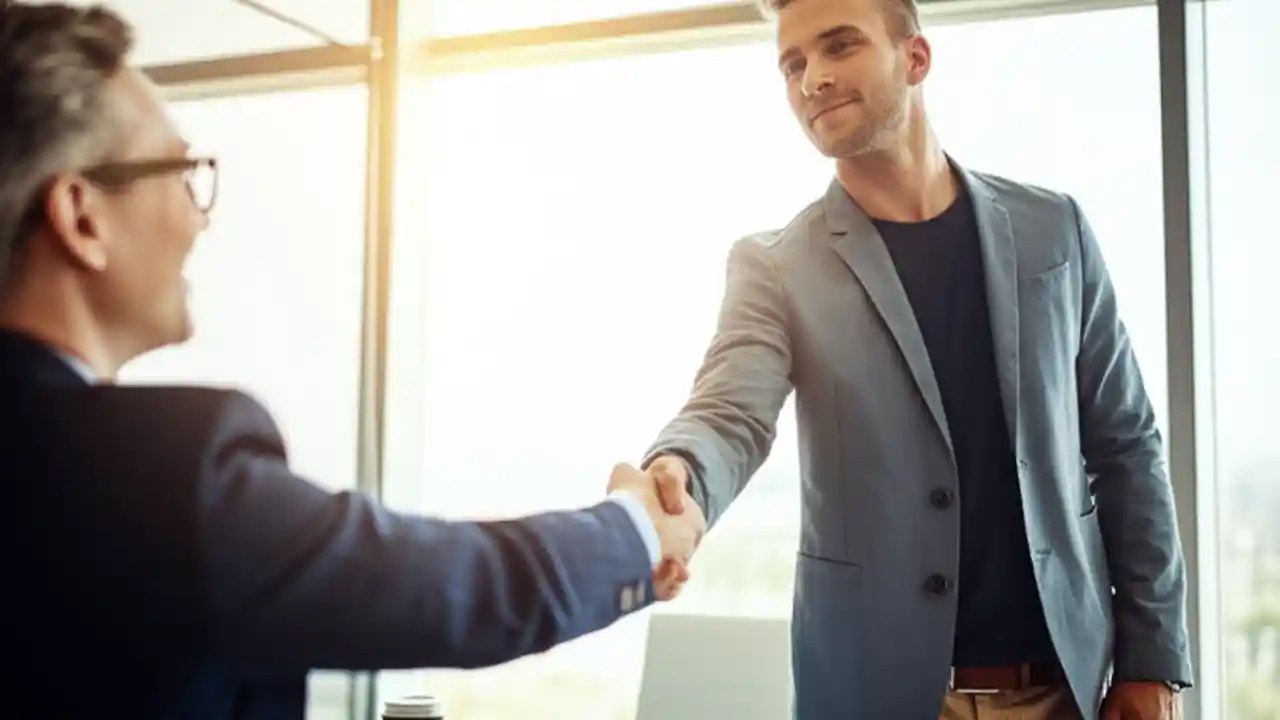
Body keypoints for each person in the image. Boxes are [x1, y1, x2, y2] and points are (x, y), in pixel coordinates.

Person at [0, 3, 704, 718]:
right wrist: (638, 529)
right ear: (82, 217)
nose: (200, 215)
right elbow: (461, 586)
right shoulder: (161, 479)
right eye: (182, 174)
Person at [636, 0, 1191, 718]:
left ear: (916, 59)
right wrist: (676, 474)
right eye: (794, 64)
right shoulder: (774, 266)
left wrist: (1152, 661)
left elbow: (1126, 446)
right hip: (878, 693)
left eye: (839, 47)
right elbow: (729, 413)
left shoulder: (1055, 231)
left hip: (1067, 687)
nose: (813, 80)